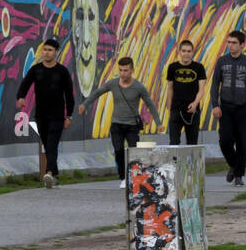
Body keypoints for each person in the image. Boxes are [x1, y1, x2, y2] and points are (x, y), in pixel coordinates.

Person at [77, 56, 161, 188]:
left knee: (134, 151)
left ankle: (135, 176)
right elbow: (97, 93)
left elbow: (150, 104)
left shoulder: (139, 87)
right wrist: (84, 104)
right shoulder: (113, 83)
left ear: (132, 70)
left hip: (132, 125)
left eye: (126, 70)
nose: (123, 73)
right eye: (121, 70)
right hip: (116, 124)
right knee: (119, 150)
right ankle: (123, 177)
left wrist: (159, 122)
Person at [15, 38, 75, 189]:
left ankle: (48, 172)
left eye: (50, 50)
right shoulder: (36, 69)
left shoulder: (62, 71)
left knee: (52, 144)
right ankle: (54, 173)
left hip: (57, 115)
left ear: (56, 52)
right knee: (47, 146)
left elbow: (69, 95)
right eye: (45, 49)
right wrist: (21, 97)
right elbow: (25, 84)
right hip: (41, 114)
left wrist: (69, 116)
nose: (46, 52)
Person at [211, 29, 246, 188]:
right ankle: (234, 166)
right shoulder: (221, 61)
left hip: (245, 108)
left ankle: (239, 176)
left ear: (242, 44)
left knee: (242, 142)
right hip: (226, 107)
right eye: (228, 42)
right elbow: (214, 85)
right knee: (225, 141)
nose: (230, 45)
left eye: (234, 43)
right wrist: (215, 105)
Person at [164, 40, 207, 146]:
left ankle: (191, 163)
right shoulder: (172, 67)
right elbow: (170, 88)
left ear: (192, 52)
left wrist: (195, 103)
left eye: (189, 51)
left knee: (192, 143)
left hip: (192, 110)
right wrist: (169, 106)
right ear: (179, 52)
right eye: (184, 51)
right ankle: (174, 163)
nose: (186, 54)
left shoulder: (199, 67)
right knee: (174, 143)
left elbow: (201, 89)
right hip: (176, 110)